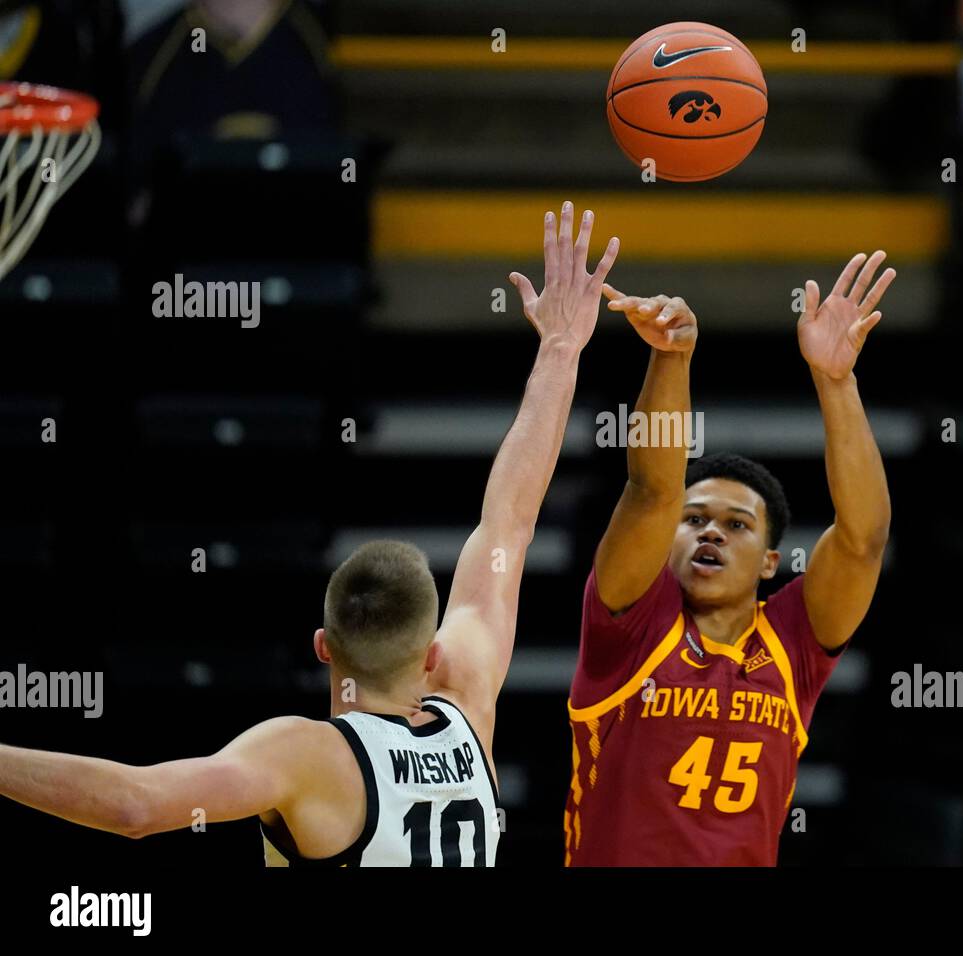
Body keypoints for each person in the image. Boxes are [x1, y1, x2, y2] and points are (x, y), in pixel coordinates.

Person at [0, 201, 619, 866]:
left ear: (324, 645)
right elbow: (512, 519)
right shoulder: (466, 703)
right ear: (432, 654)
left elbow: (134, 807)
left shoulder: (309, 759)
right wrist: (560, 349)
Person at [564, 251, 894, 865]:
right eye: (694, 521)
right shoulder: (633, 622)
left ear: (771, 562)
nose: (710, 533)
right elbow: (652, 489)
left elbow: (863, 537)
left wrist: (837, 381)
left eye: (736, 525)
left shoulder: (793, 641)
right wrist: (671, 357)